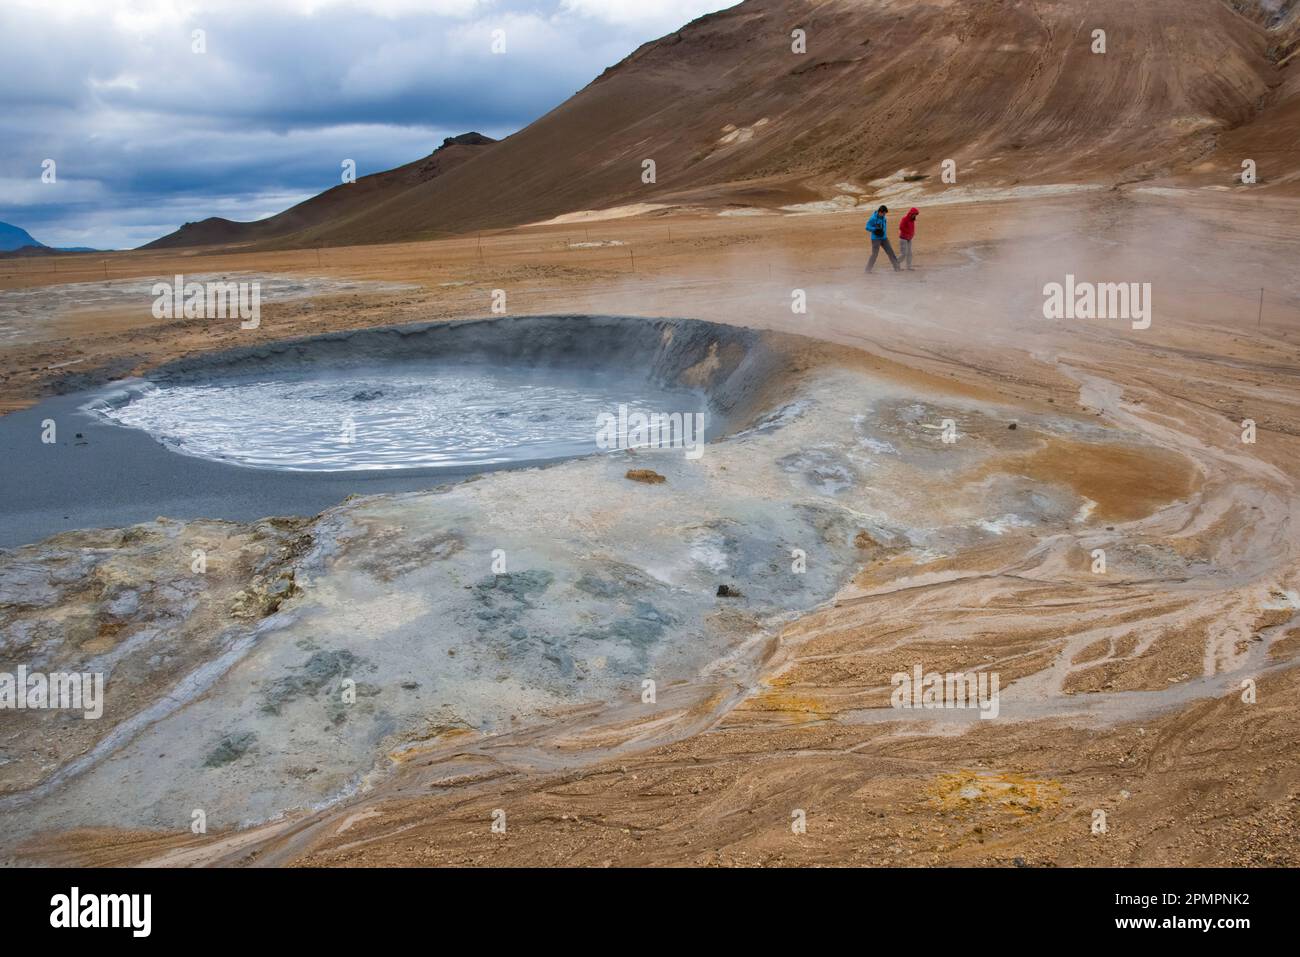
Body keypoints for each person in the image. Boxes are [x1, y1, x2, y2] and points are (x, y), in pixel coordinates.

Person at [865, 205, 900, 273]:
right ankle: (867, 270)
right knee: (874, 254)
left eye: (885, 214)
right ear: (880, 212)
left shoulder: (884, 218)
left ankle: (897, 268)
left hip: (884, 238)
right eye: (884, 213)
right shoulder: (873, 218)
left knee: (890, 252)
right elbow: (867, 227)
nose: (884, 215)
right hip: (875, 239)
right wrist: (874, 229)